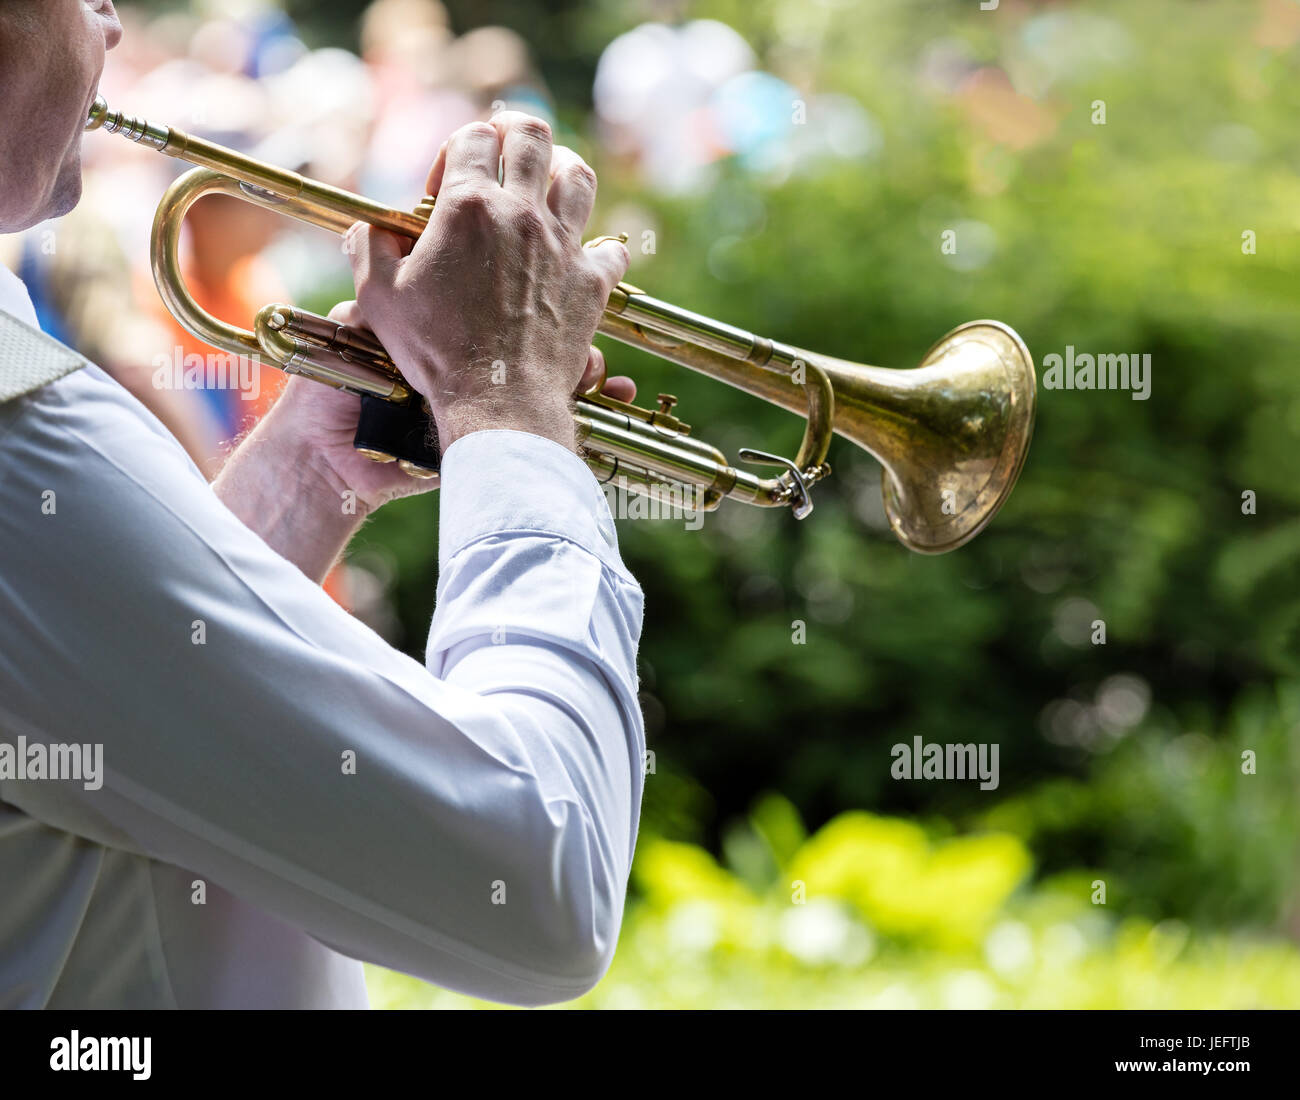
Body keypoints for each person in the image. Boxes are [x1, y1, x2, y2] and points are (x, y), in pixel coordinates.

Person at [0, 0, 643, 1008]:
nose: (113, 23)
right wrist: (508, 400)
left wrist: (309, 469)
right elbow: (542, 881)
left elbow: (120, 675)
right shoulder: (17, 439)